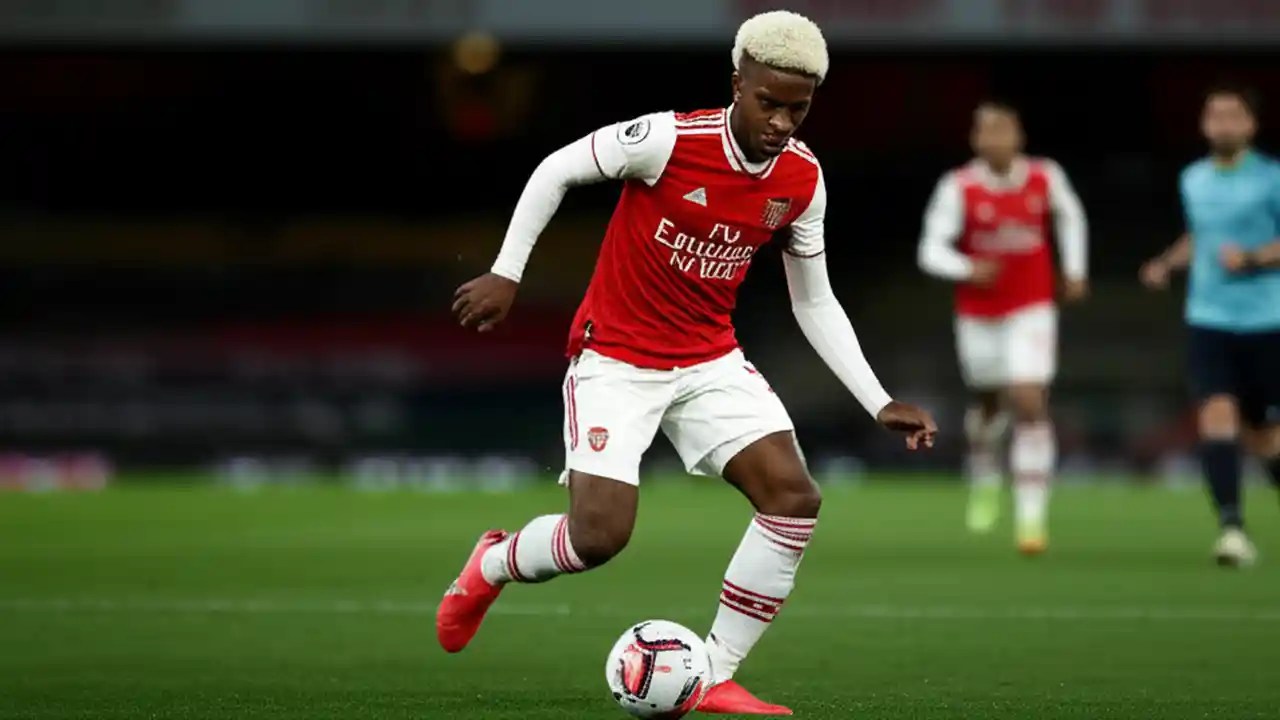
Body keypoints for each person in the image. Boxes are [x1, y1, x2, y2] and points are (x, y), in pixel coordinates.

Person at [438, 10, 937, 715]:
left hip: (709, 360)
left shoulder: (802, 181)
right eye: (768, 103)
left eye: (798, 109)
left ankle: (713, 675)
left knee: (794, 499)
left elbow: (814, 301)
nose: (781, 122)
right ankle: (492, 561)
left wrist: (878, 400)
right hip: (615, 359)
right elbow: (556, 170)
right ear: (737, 84)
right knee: (598, 538)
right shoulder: (668, 140)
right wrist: (506, 272)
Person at [917, 101, 1088, 554]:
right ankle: (984, 471)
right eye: (987, 131)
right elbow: (930, 250)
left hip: (1032, 306)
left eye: (1004, 130)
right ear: (975, 139)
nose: (996, 139)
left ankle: (1031, 519)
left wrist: (1074, 269)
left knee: (1029, 399)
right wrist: (967, 267)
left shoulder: (1045, 177)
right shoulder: (959, 186)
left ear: (1019, 136)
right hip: (979, 313)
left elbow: (1071, 217)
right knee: (990, 404)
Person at [1140, 84, 1280, 567]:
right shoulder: (1193, 178)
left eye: (1233, 115)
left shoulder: (1271, 178)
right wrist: (1166, 263)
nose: (1223, 123)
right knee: (1216, 417)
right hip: (1209, 318)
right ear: (1203, 123)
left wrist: (1255, 258)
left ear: (1251, 124)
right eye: (1214, 115)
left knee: (1267, 441)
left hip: (1267, 321)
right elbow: (1200, 236)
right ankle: (1232, 530)